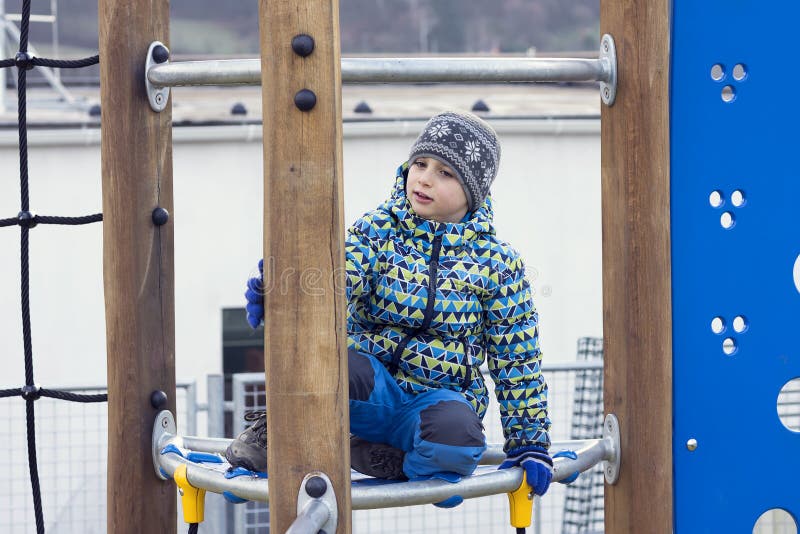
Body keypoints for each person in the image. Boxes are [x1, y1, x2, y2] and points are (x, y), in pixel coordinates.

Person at [226, 111, 553, 503]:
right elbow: (338, 276)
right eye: (420, 163)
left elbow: (517, 357)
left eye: (446, 173)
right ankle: (275, 440)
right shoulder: (378, 231)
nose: (425, 178)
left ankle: (395, 461)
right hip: (370, 386)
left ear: (473, 191)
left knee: (459, 439)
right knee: (333, 365)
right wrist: (286, 289)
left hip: (433, 402)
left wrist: (529, 440)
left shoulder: (498, 264)